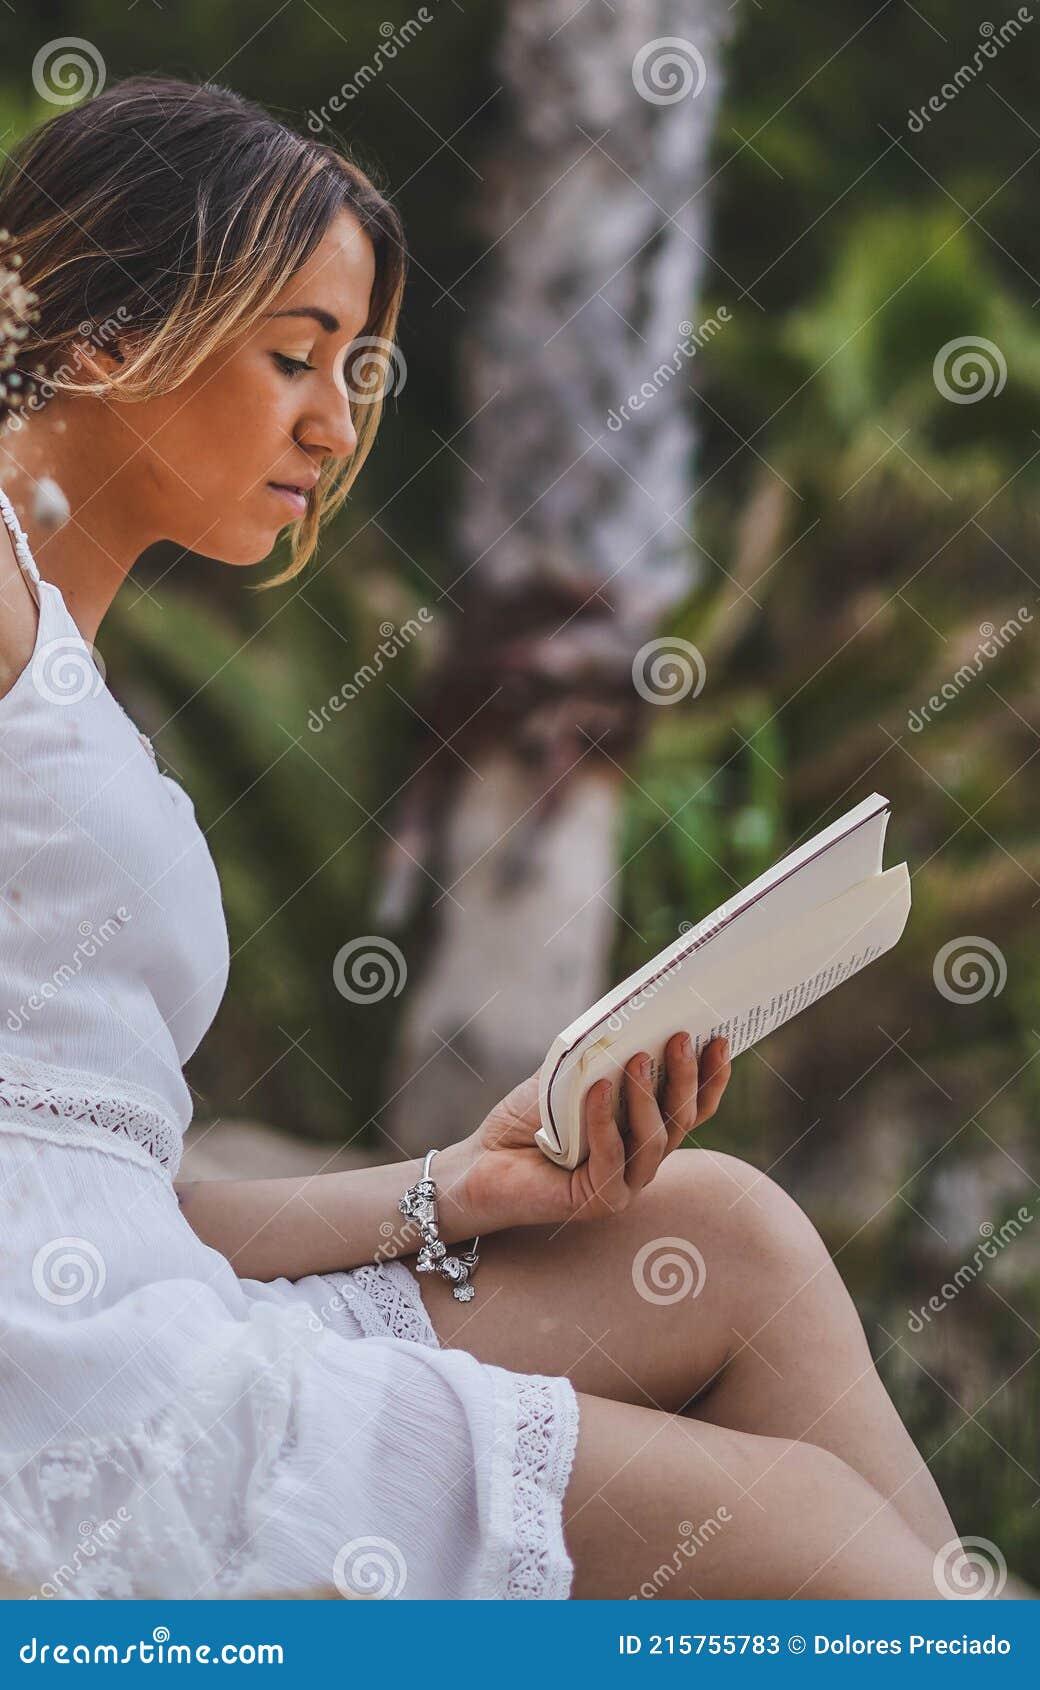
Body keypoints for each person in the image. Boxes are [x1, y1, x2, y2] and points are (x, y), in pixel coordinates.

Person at [0, 75, 959, 1602]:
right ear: (108, 334)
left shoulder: (69, 659)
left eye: (358, 368)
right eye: (294, 356)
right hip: (65, 1385)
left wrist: (461, 1181)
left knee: (722, 1232)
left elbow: (110, 1191)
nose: (336, 420)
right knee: (797, 1539)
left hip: (133, 1290)